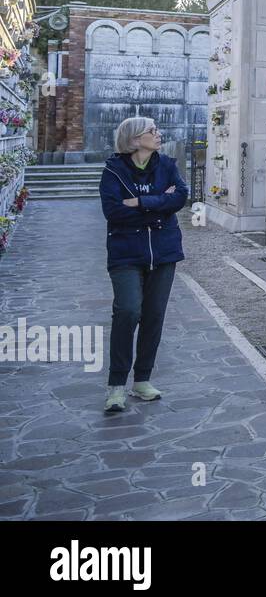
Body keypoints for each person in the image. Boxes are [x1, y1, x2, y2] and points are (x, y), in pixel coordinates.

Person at [99, 117, 189, 414]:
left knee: (153, 315)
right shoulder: (114, 171)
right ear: (135, 139)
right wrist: (156, 203)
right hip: (126, 252)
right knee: (128, 311)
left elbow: (180, 197)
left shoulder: (166, 165)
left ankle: (142, 380)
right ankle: (116, 386)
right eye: (152, 131)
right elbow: (113, 211)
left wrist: (138, 202)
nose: (158, 134)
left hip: (163, 252)